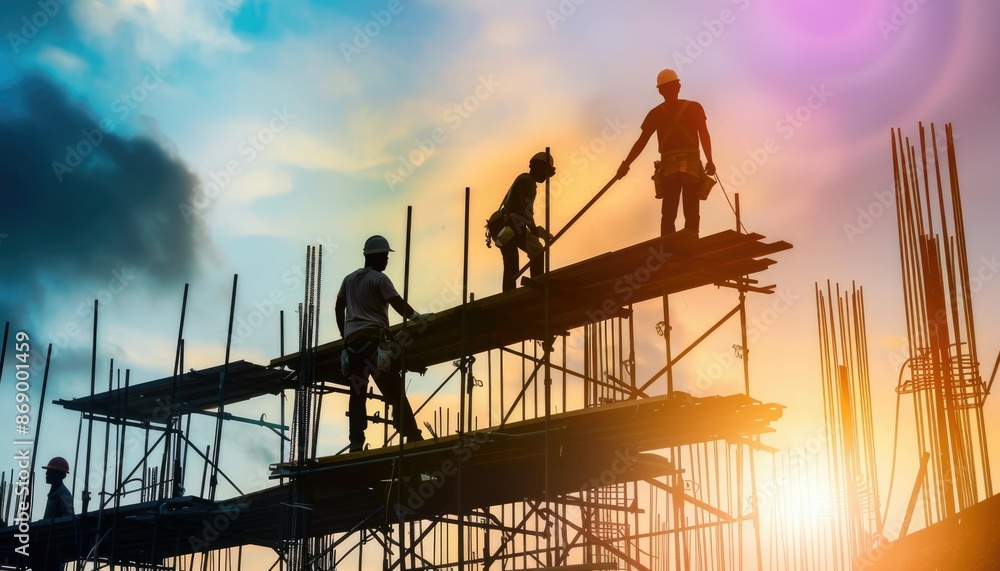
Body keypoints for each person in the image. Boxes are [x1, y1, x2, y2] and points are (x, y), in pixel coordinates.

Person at [335, 235, 426, 452]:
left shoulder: (348, 279)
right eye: (384, 256)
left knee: (357, 394)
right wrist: (417, 318)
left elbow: (339, 307)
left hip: (354, 346)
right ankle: (412, 436)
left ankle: (356, 442)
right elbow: (398, 304)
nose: (386, 261)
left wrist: (345, 336)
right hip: (374, 344)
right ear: (375, 257)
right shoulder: (379, 279)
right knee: (394, 392)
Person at [616, 68, 716, 237]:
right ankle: (691, 243)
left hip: (668, 169)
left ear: (660, 91)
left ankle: (667, 247)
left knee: (668, 213)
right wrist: (710, 160)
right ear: (679, 86)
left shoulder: (655, 114)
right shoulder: (694, 107)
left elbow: (641, 142)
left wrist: (626, 164)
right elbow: (704, 134)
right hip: (691, 167)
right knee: (691, 209)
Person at [499, 151, 555, 291]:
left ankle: (508, 294)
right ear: (538, 167)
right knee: (537, 251)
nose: (546, 177)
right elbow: (524, 211)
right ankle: (537, 286)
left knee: (511, 264)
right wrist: (536, 231)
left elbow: (523, 211)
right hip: (513, 226)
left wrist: (537, 230)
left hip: (505, 229)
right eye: (546, 172)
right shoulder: (526, 181)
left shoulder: (524, 181)